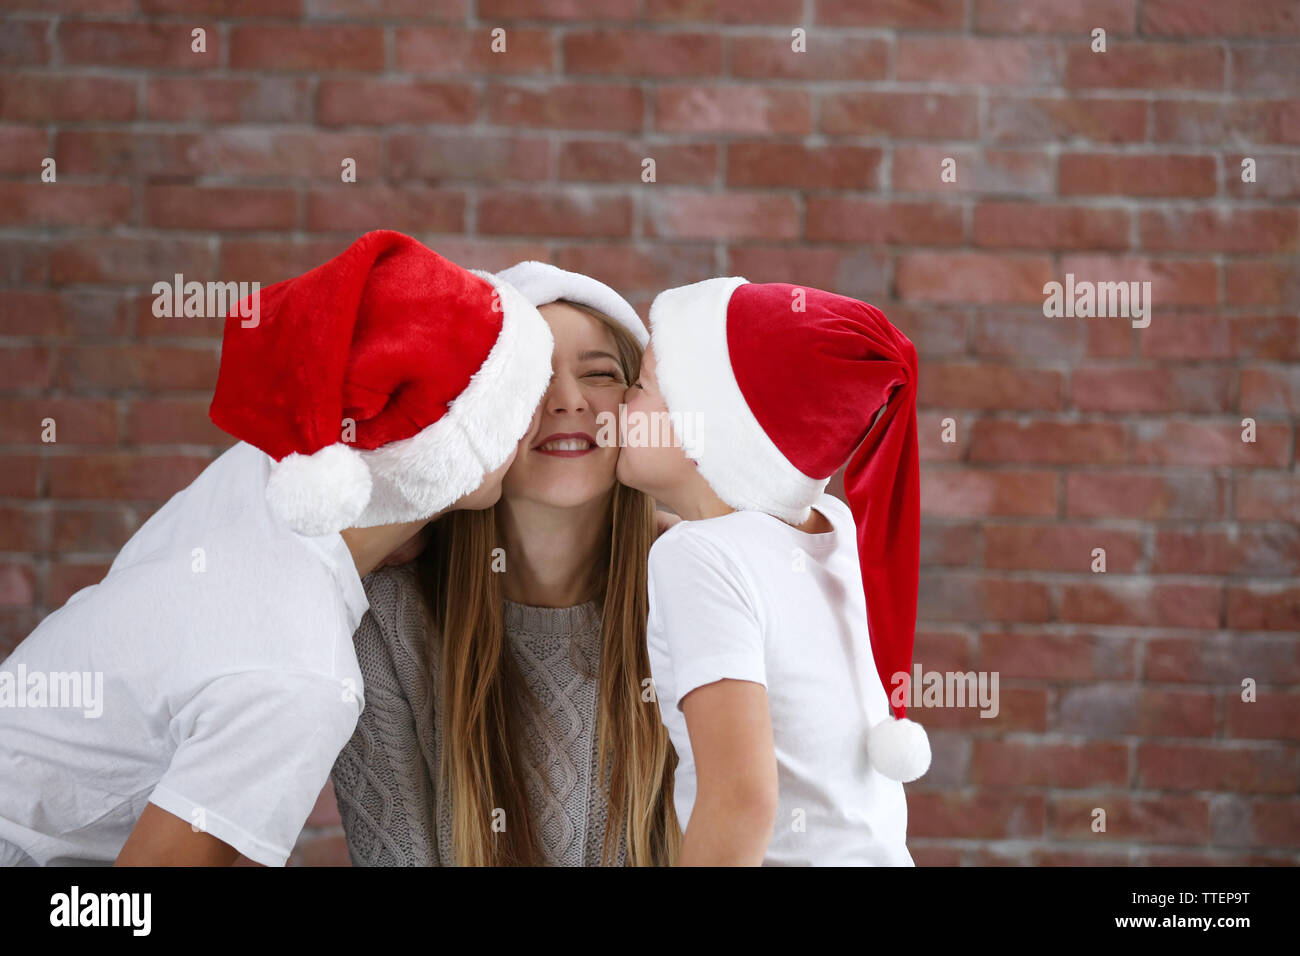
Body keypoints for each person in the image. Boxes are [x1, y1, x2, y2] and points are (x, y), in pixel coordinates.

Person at [0, 231, 553, 866]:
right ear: (449, 457)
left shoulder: (277, 467)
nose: (545, 411)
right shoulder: (300, 675)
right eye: (517, 408)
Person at [330, 262, 680, 866]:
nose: (568, 400)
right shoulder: (386, 622)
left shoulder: (695, 602)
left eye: (599, 374)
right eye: (530, 378)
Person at [616, 276, 931, 865]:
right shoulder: (831, 529)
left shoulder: (696, 558)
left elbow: (741, 801)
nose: (621, 406)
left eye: (641, 386)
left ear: (701, 428)